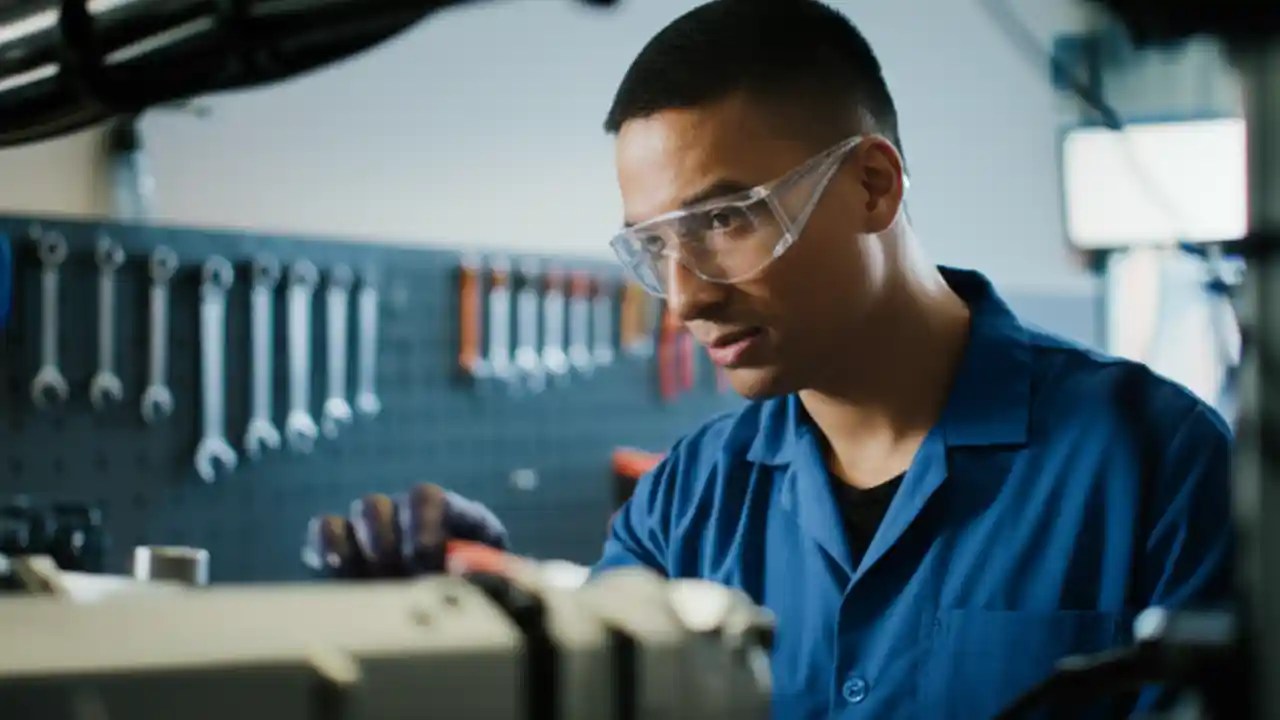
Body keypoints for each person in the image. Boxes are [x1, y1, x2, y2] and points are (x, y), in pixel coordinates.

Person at [307, 1, 1234, 718]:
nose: (686, 298)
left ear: (874, 185)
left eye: (723, 221)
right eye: (654, 246)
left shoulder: (1156, 463)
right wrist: (458, 640)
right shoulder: (685, 507)